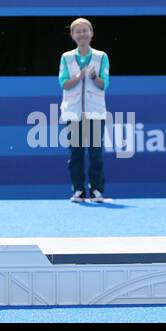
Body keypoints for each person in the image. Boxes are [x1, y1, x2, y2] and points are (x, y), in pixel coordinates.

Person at [59, 17, 109, 202]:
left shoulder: (101, 57)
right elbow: (64, 83)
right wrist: (80, 75)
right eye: (77, 31)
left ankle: (97, 190)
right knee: (75, 153)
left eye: (85, 30)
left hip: (95, 113)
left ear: (91, 33)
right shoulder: (67, 57)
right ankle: (78, 190)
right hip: (73, 113)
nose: (82, 34)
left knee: (96, 153)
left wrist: (95, 77)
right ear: (72, 35)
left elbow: (105, 84)